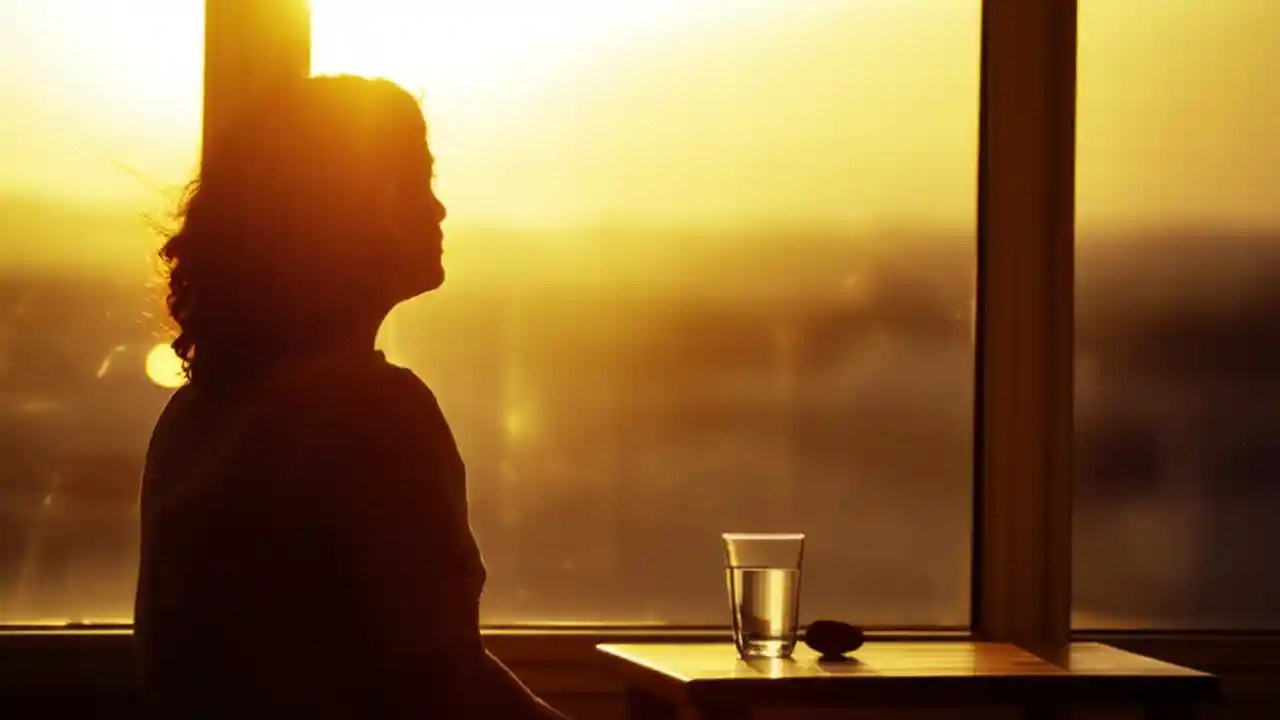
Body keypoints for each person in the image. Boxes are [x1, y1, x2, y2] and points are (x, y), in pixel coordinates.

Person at [135, 75, 567, 718]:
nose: (438, 209)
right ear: (351, 207)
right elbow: (442, 683)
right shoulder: (372, 416)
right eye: (417, 180)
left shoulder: (194, 418)